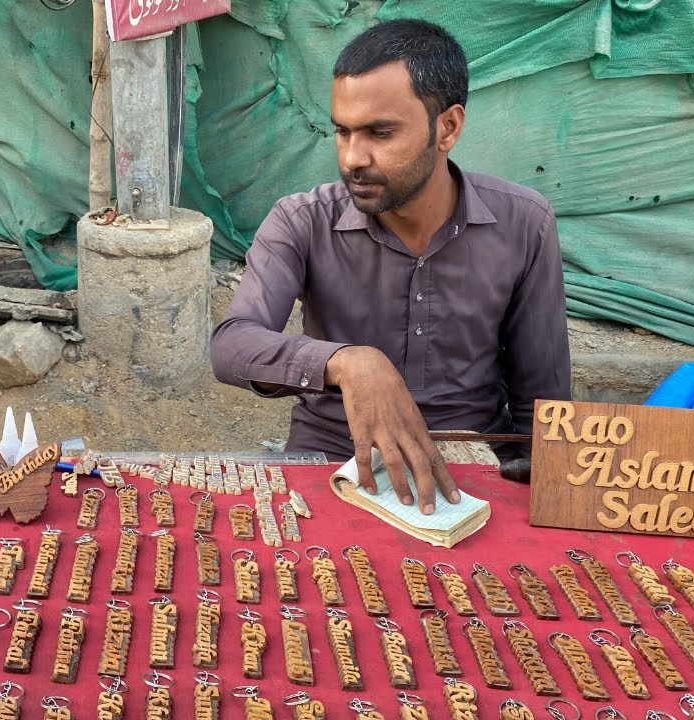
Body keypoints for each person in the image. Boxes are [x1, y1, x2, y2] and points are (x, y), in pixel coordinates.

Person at [210, 19, 571, 513]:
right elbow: (232, 343)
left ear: (447, 127)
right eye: (342, 131)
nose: (352, 158)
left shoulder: (524, 223)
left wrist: (541, 495)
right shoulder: (302, 221)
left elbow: (543, 404)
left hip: (473, 466)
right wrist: (346, 363)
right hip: (334, 460)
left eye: (380, 133)